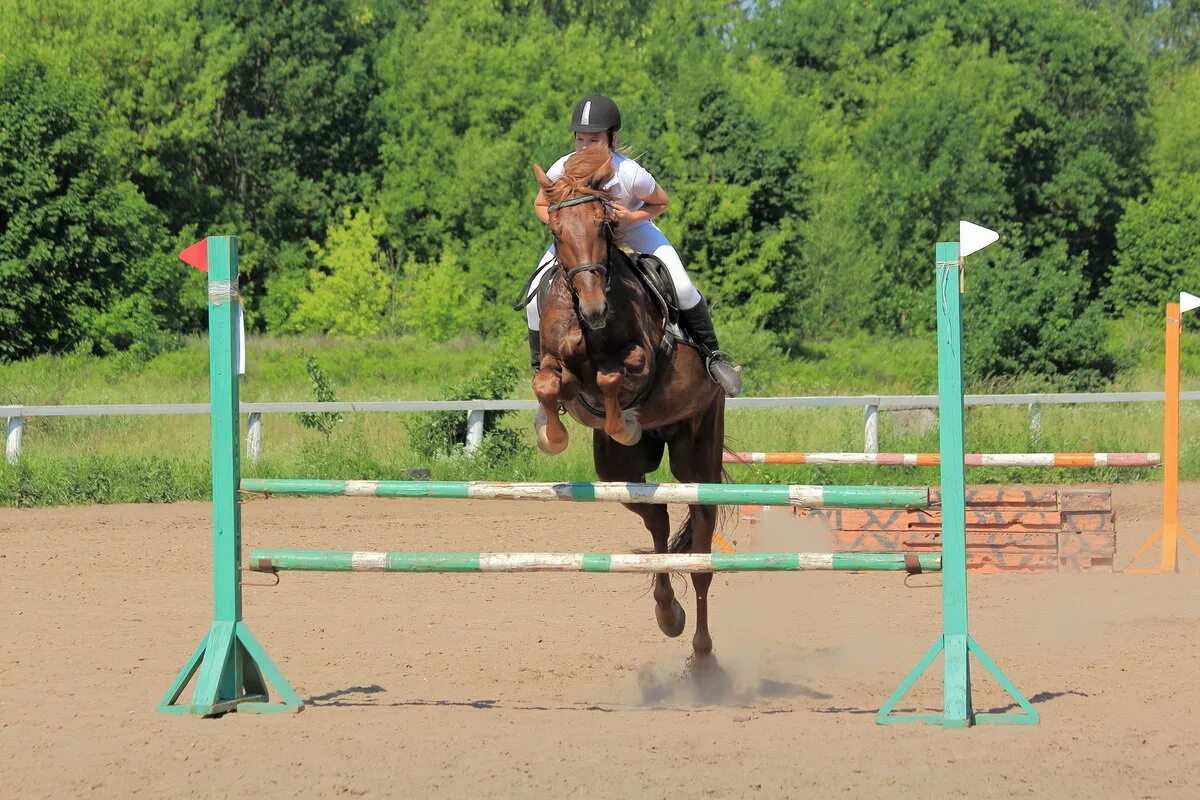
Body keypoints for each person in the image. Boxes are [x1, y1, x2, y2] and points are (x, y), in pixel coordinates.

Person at [526, 93, 743, 397]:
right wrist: (565, 227)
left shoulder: (628, 172)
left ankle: (714, 357)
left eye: (594, 140)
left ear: (612, 139)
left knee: (681, 287)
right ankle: (539, 367)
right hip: (583, 240)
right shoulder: (562, 168)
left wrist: (630, 217)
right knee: (537, 291)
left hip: (634, 231)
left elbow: (661, 203)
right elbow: (540, 203)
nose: (585, 147)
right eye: (581, 139)